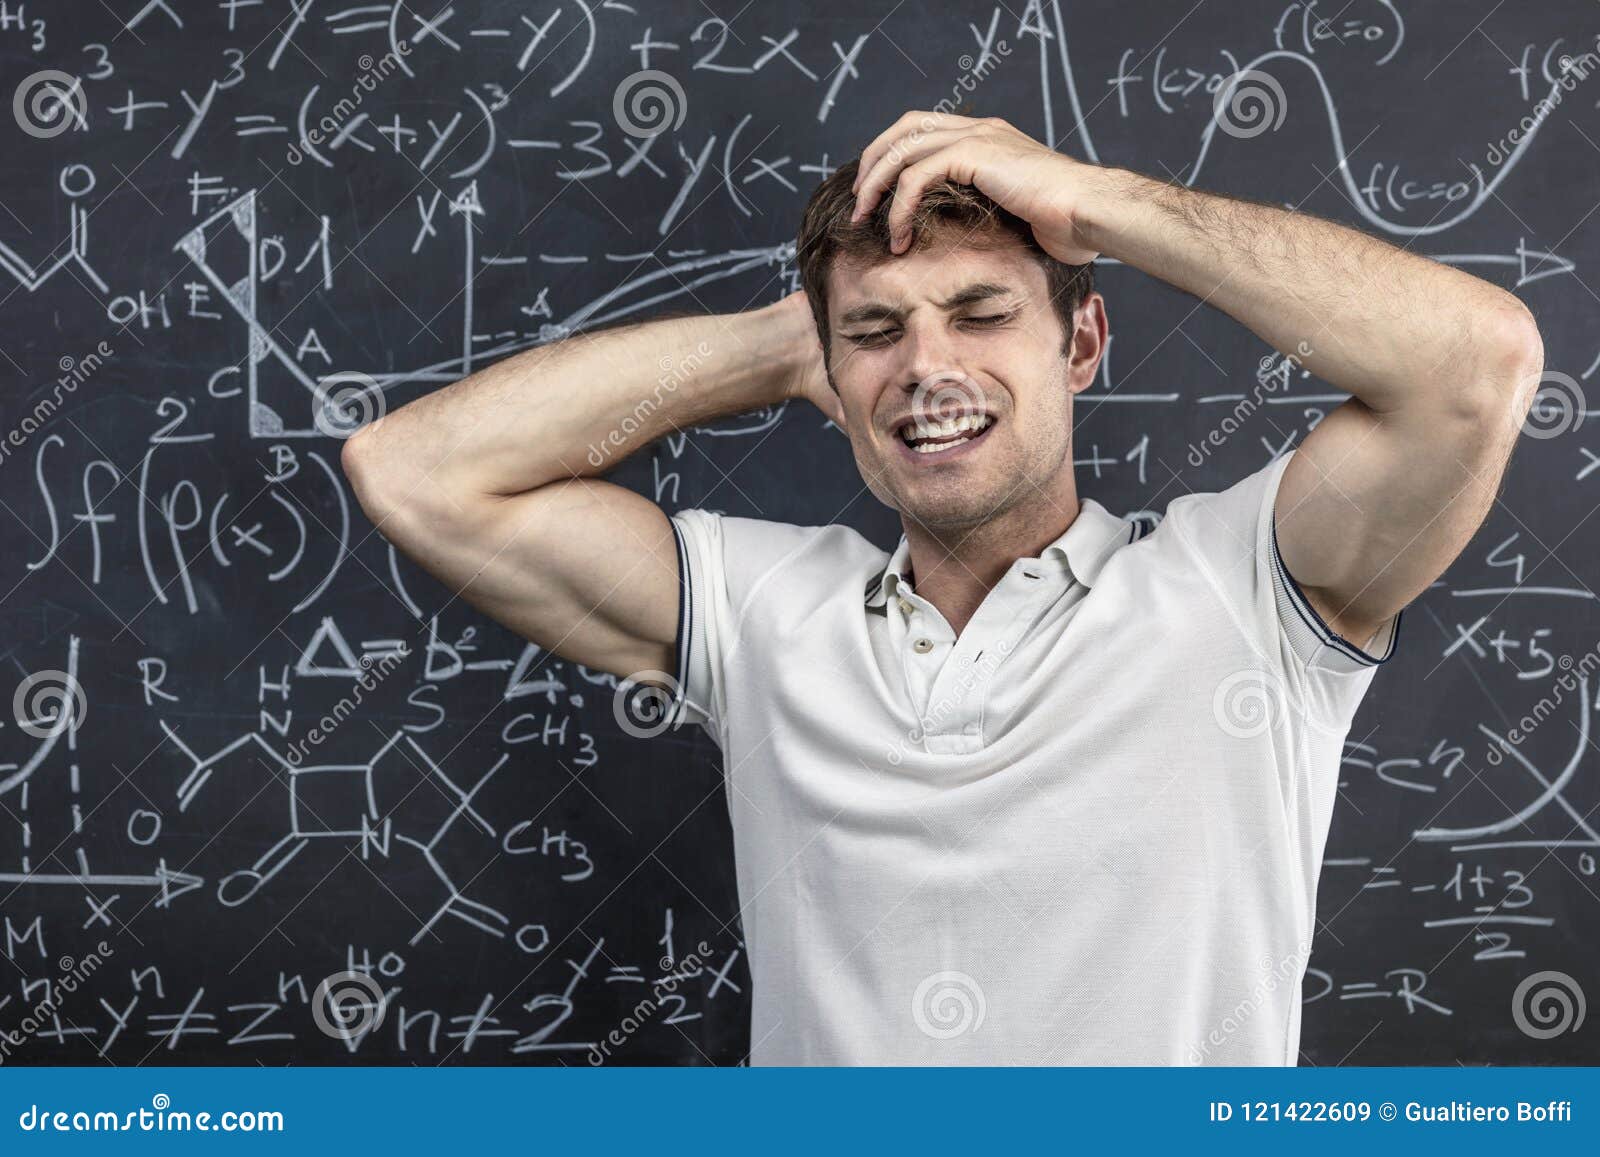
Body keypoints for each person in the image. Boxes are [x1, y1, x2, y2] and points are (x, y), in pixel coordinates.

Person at [341, 111, 1543, 1065]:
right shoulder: (767, 615)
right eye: (877, 333)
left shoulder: (1244, 591)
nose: (928, 367)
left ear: (1080, 344)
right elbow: (417, 474)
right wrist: (784, 342)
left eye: (981, 313)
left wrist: (1094, 204)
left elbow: (1472, 366)